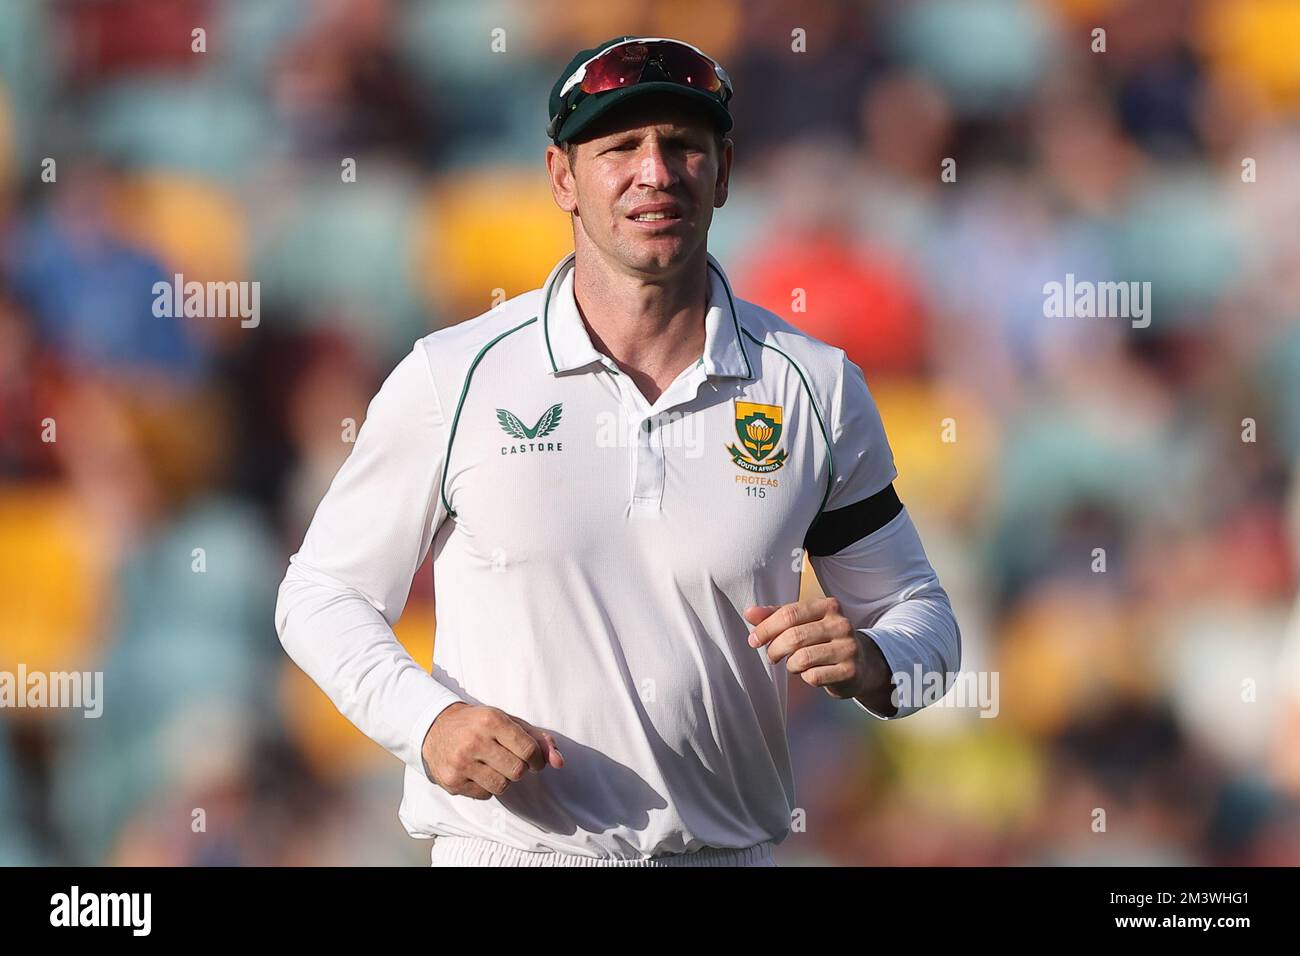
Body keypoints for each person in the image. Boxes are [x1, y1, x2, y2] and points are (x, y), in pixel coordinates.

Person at [274, 35, 961, 867]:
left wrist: (877, 663)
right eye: (620, 147)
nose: (656, 173)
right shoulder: (454, 376)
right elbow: (319, 594)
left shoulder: (813, 386)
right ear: (562, 176)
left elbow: (928, 626)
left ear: (726, 170)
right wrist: (425, 722)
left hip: (725, 852)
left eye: (683, 146)